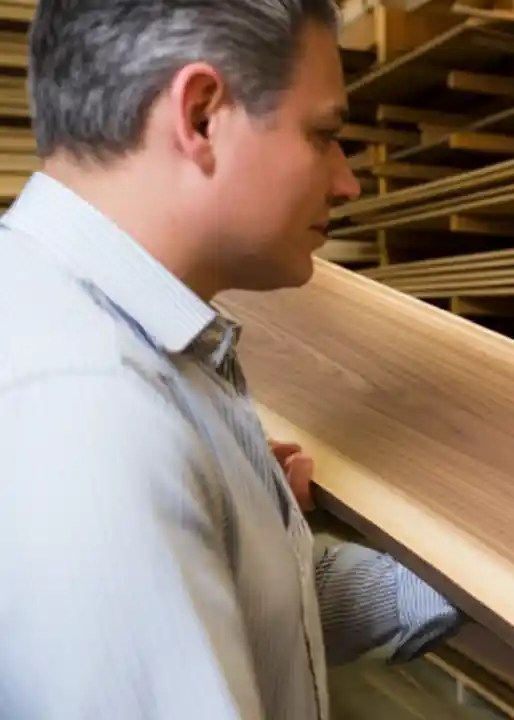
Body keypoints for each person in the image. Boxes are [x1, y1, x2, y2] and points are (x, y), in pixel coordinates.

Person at [0, 2, 463, 718]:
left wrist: (502, 578)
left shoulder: (120, 338)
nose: (346, 182)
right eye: (324, 135)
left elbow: (249, 611)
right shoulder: (96, 410)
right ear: (202, 116)